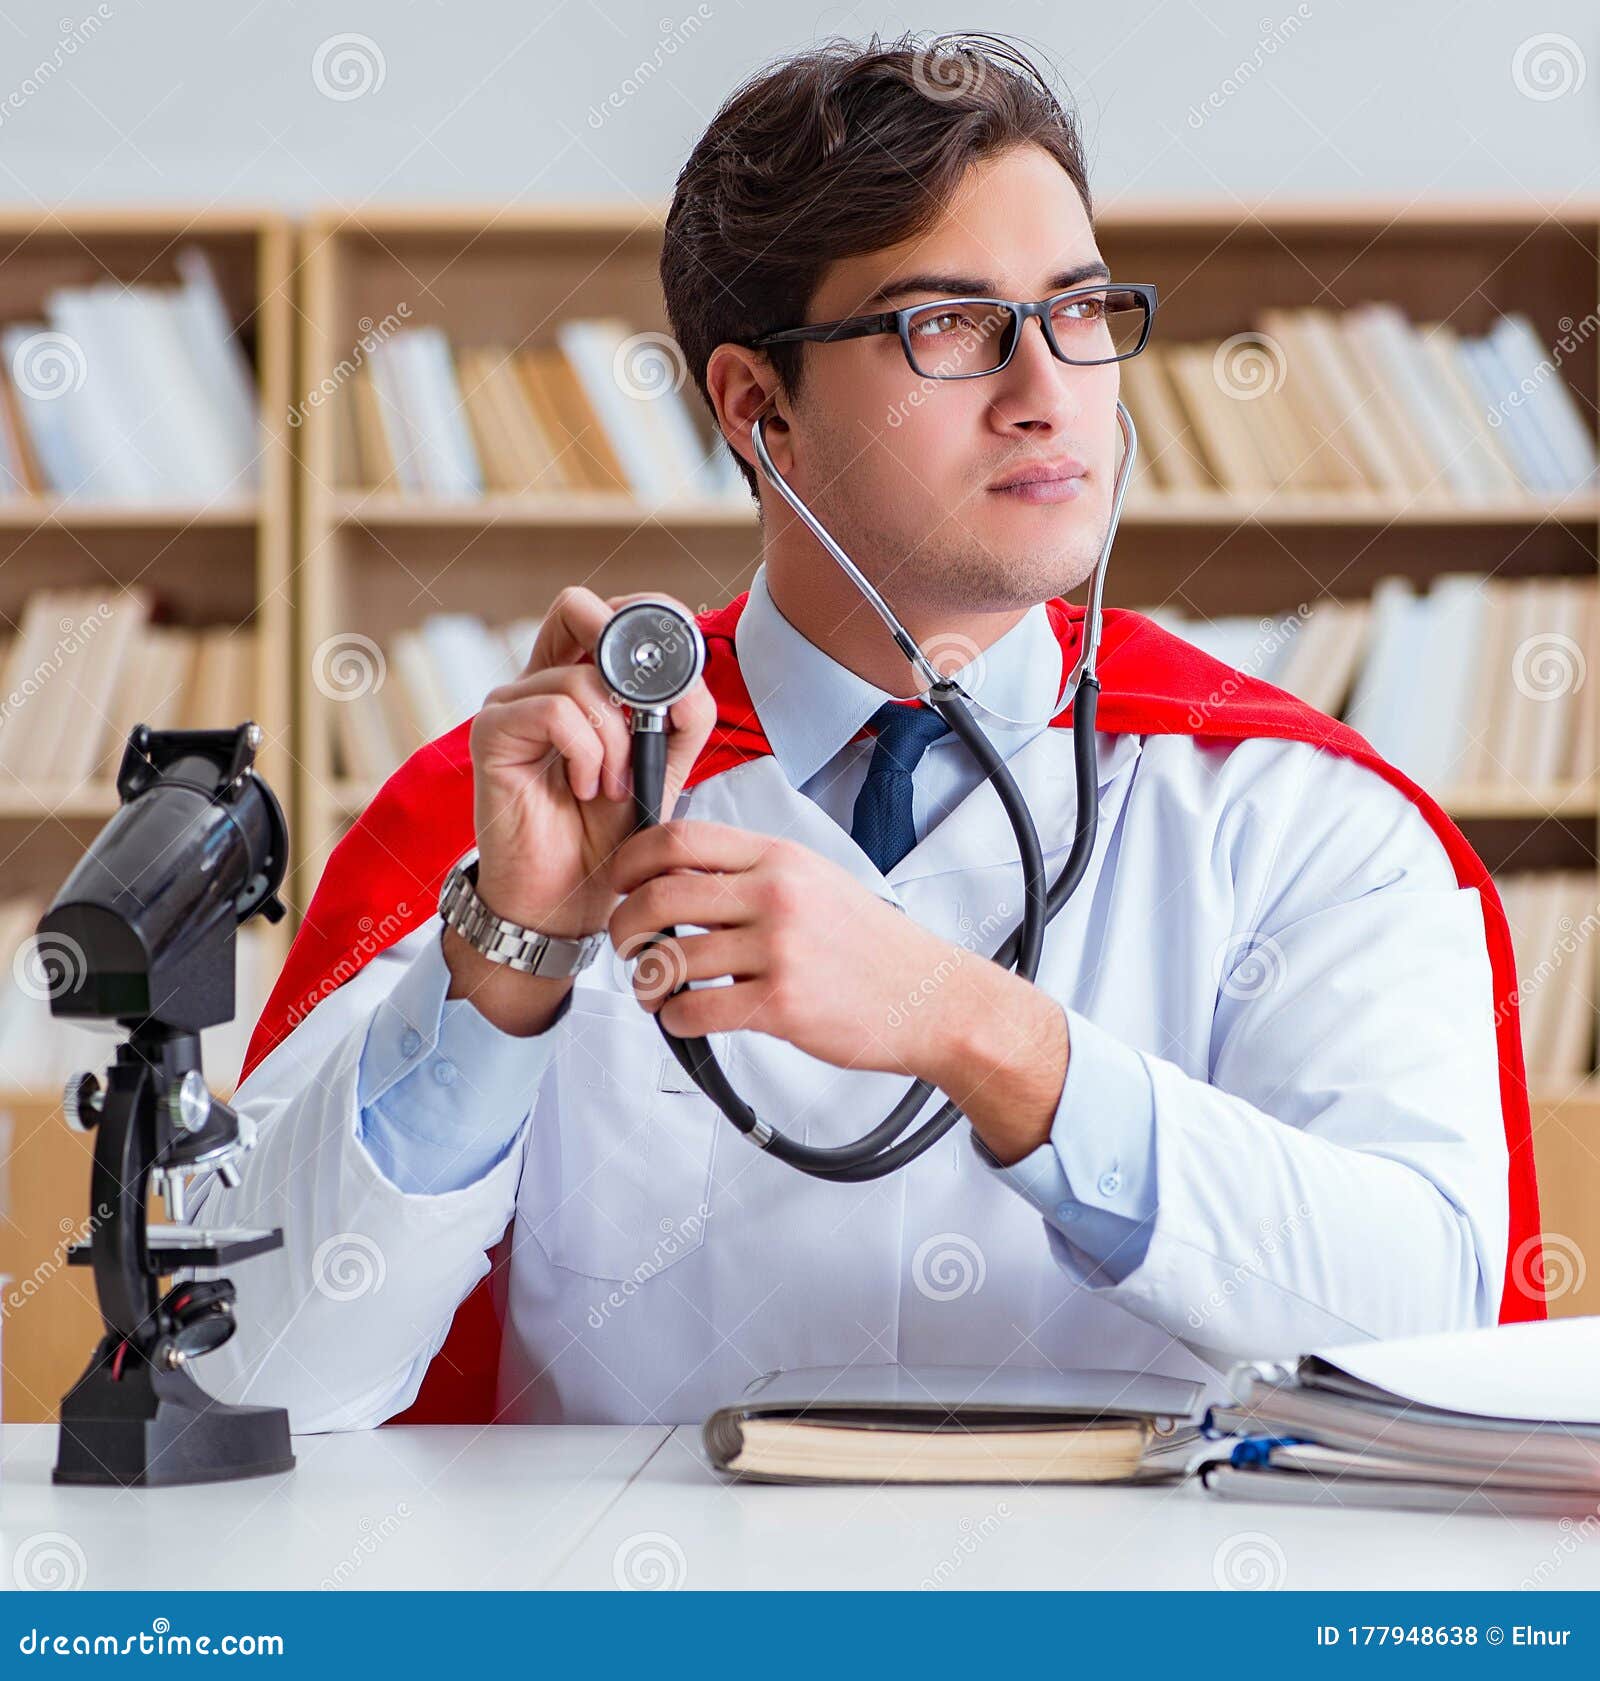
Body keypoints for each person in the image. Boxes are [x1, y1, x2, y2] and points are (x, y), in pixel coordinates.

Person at [187, 33, 1541, 1432]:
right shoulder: (528, 820)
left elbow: (1431, 1321)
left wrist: (982, 1032)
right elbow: (240, 1382)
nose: (1046, 390)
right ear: (756, 406)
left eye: (1078, 312)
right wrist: (514, 960)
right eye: (947, 325)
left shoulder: (1299, 812)